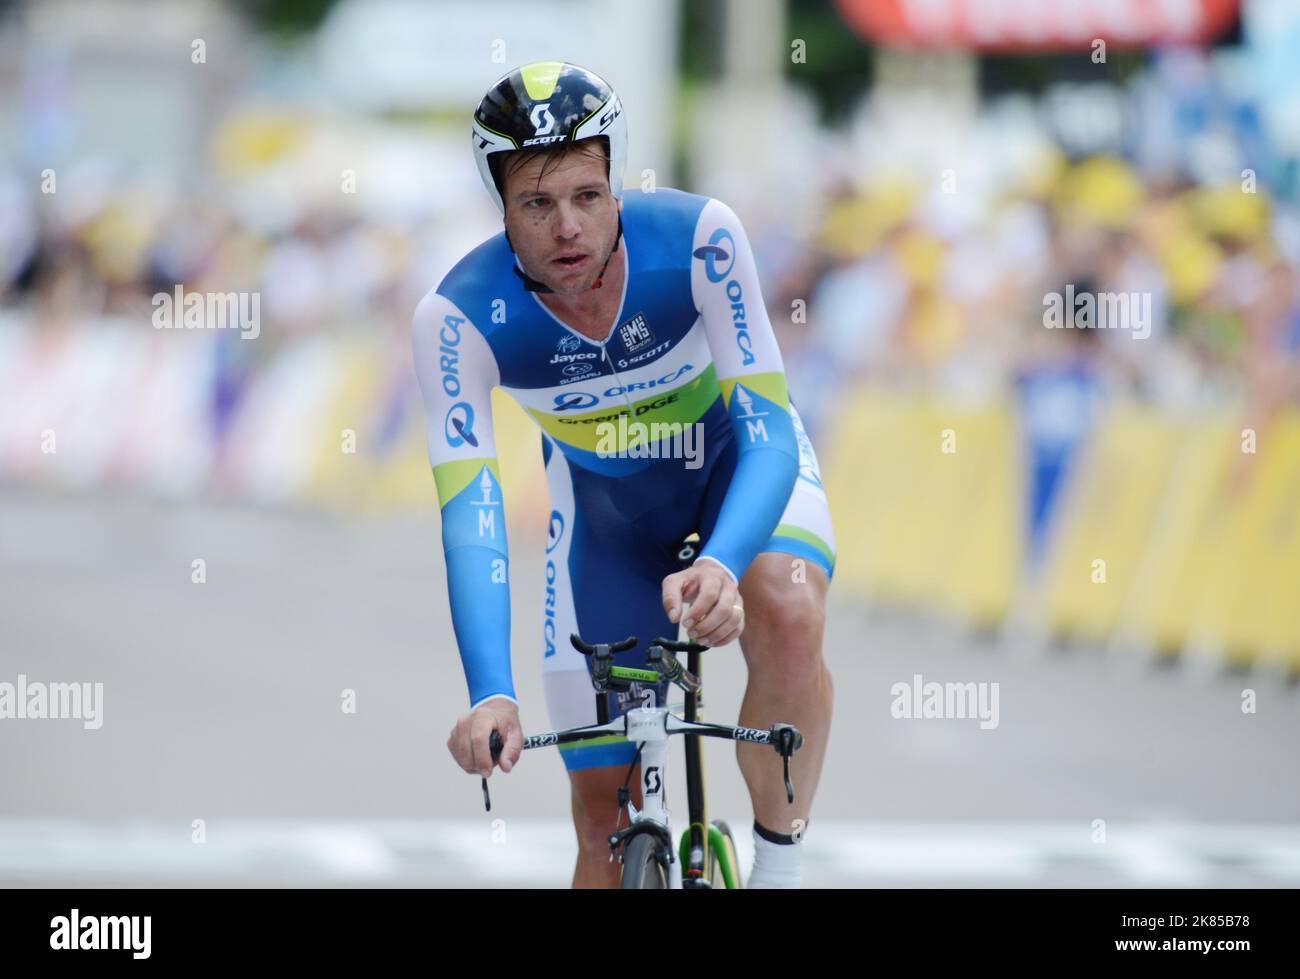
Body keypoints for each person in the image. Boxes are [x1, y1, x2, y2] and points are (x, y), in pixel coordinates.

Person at [411, 61, 836, 888]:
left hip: (733, 473)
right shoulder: (457, 318)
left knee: (785, 602)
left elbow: (769, 432)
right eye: (536, 203)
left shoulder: (701, 239)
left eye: (587, 196)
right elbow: (473, 513)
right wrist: (490, 691)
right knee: (603, 819)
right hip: (605, 521)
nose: (567, 227)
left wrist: (721, 560)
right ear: (500, 207)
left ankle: (781, 868)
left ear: (615, 186)